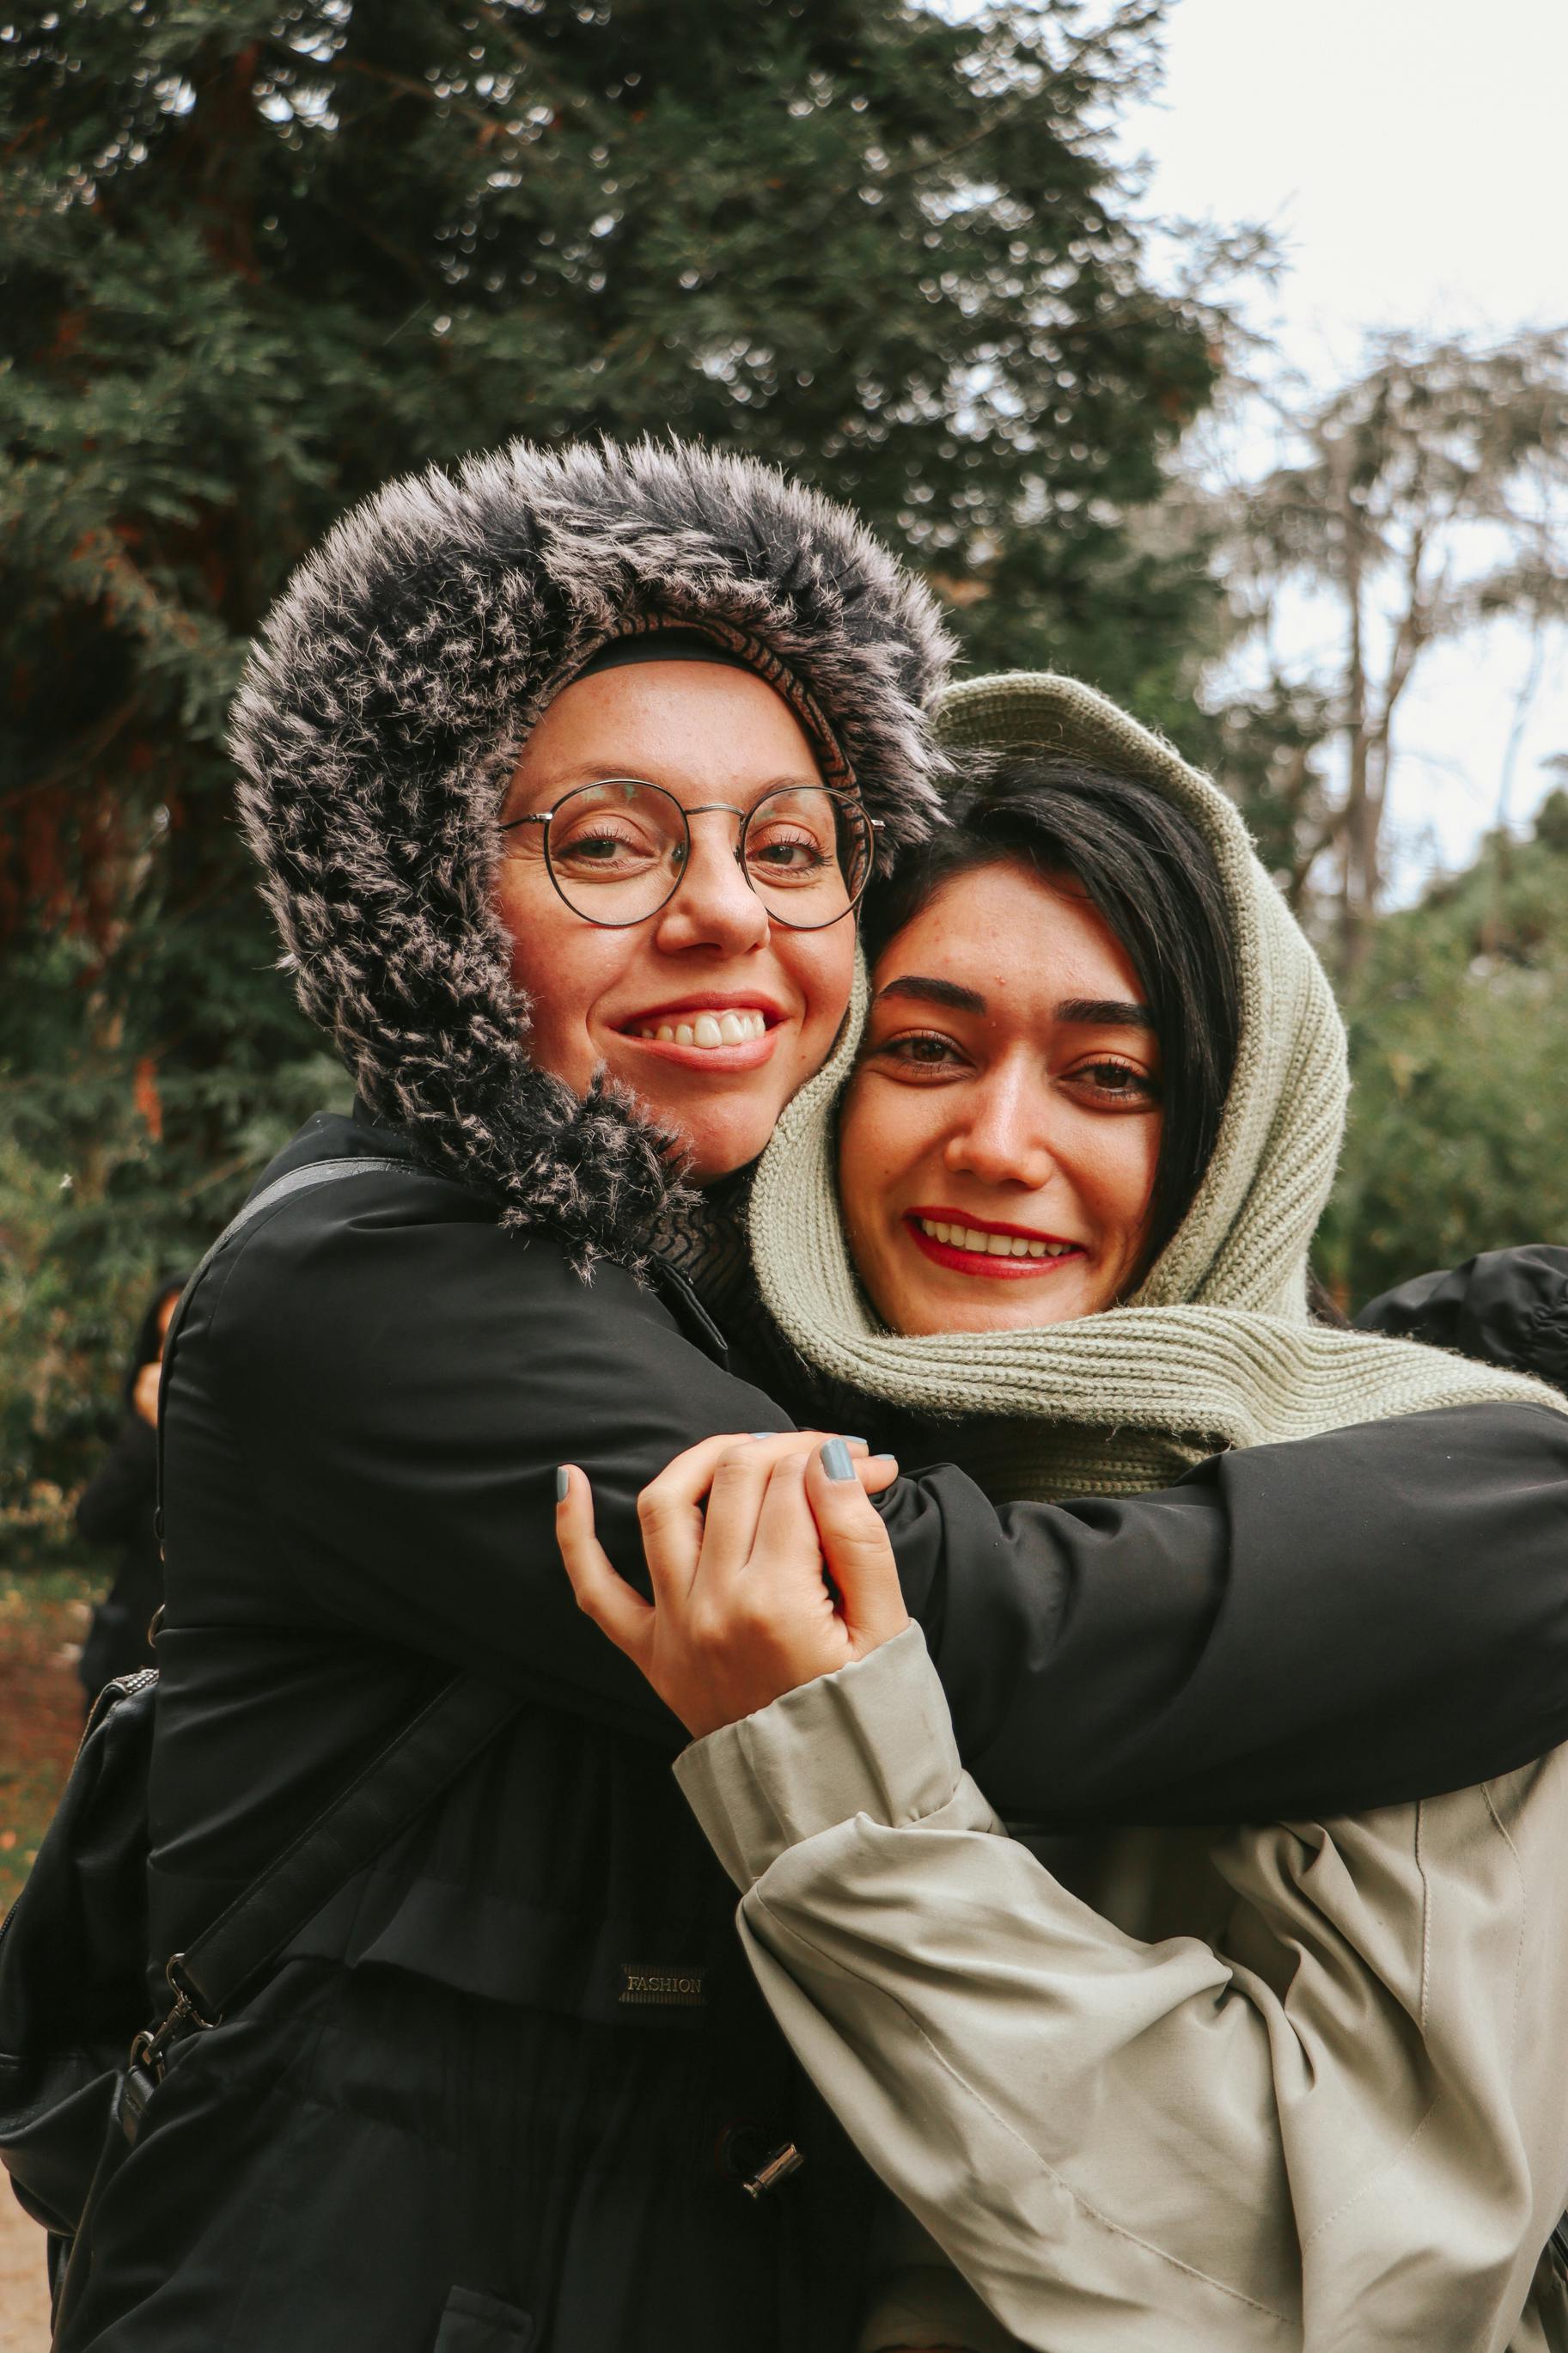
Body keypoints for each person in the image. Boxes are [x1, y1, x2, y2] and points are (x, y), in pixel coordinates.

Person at [67, 443, 1568, 2353]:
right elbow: (959, 1621)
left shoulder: (766, 1323)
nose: (723, 911)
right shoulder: (382, 1278)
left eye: (789, 849)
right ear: (430, 899)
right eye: (607, 842)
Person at [557, 671, 1568, 2353]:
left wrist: (837, 1790)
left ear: (1232, 1132)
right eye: (926, 1049)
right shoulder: (708, 1447)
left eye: (1109, 1076)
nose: (999, 1142)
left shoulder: (1423, 1545)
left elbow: (1343, 2284)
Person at [74, 1274, 186, 1706]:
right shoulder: (145, 1429)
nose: (165, 1360)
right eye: (159, 1343)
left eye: (178, 1340)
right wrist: (147, 1429)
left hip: (190, 1671)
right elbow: (93, 1520)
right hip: (125, 1666)